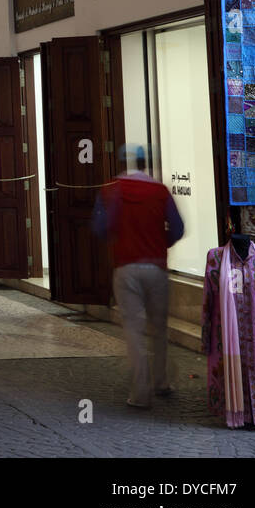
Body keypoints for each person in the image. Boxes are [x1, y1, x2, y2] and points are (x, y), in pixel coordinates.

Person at [92, 143, 184, 409]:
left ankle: (141, 392)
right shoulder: (160, 191)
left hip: (125, 267)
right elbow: (177, 228)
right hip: (156, 267)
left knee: (133, 330)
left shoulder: (110, 190)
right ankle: (162, 381)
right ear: (146, 164)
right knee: (159, 327)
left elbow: (100, 227)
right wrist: (159, 242)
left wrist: (120, 238)